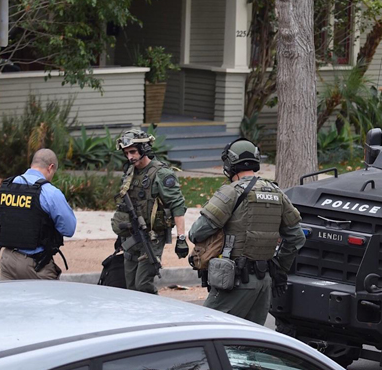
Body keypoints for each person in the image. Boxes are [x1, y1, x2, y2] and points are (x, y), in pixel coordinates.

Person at [188, 138, 305, 325]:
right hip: (264, 282)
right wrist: (280, 268)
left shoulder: (231, 192)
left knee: (208, 329)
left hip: (235, 282)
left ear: (229, 163)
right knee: (250, 343)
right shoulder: (277, 193)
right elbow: (296, 238)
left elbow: (196, 232)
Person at [111, 128, 188, 293]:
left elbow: (177, 206)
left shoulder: (161, 174)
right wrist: (121, 236)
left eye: (133, 152)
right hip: (131, 237)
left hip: (151, 238)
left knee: (143, 286)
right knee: (130, 287)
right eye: (126, 153)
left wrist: (181, 238)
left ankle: (156, 314)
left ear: (144, 149)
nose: (130, 157)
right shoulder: (130, 173)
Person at [0, 148, 77, 280]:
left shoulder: (7, 186)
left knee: (9, 300)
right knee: (48, 300)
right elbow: (69, 229)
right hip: (36, 265)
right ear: (50, 167)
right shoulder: (50, 192)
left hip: (7, 261)